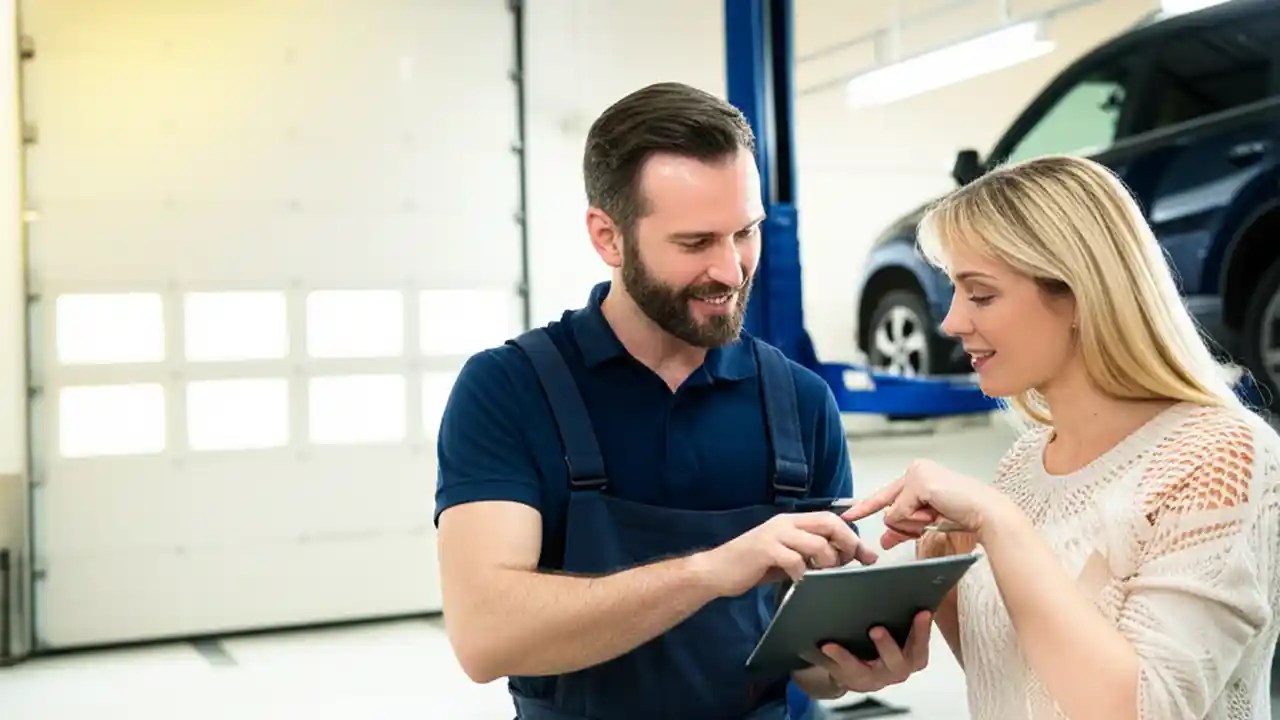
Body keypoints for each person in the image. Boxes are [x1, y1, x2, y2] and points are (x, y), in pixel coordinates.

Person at [432, 82, 930, 719]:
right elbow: (486, 636)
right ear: (608, 237)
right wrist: (712, 573)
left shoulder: (800, 401)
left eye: (745, 232)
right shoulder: (508, 391)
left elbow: (809, 661)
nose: (731, 270)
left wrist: (850, 664)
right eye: (696, 243)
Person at [841, 154, 1280, 720]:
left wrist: (1000, 525)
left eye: (980, 295)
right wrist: (940, 589)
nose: (950, 322)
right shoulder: (1026, 463)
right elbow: (1021, 685)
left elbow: (1144, 710)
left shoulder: (1221, 455)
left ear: (1078, 294)